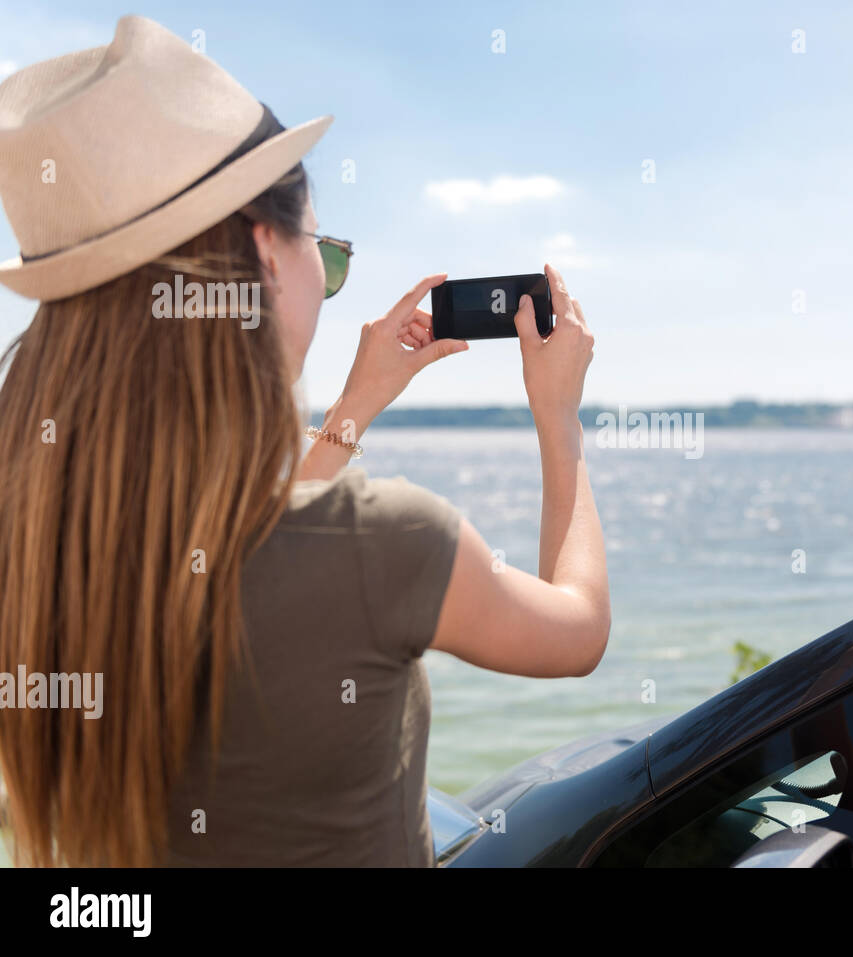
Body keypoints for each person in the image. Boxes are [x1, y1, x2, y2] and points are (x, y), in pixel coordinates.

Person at [0, 15, 609, 866]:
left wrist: (357, 404)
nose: (325, 283)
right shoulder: (388, 542)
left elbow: (254, 546)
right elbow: (578, 631)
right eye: (324, 253)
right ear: (264, 253)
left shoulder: (36, 539)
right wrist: (560, 419)